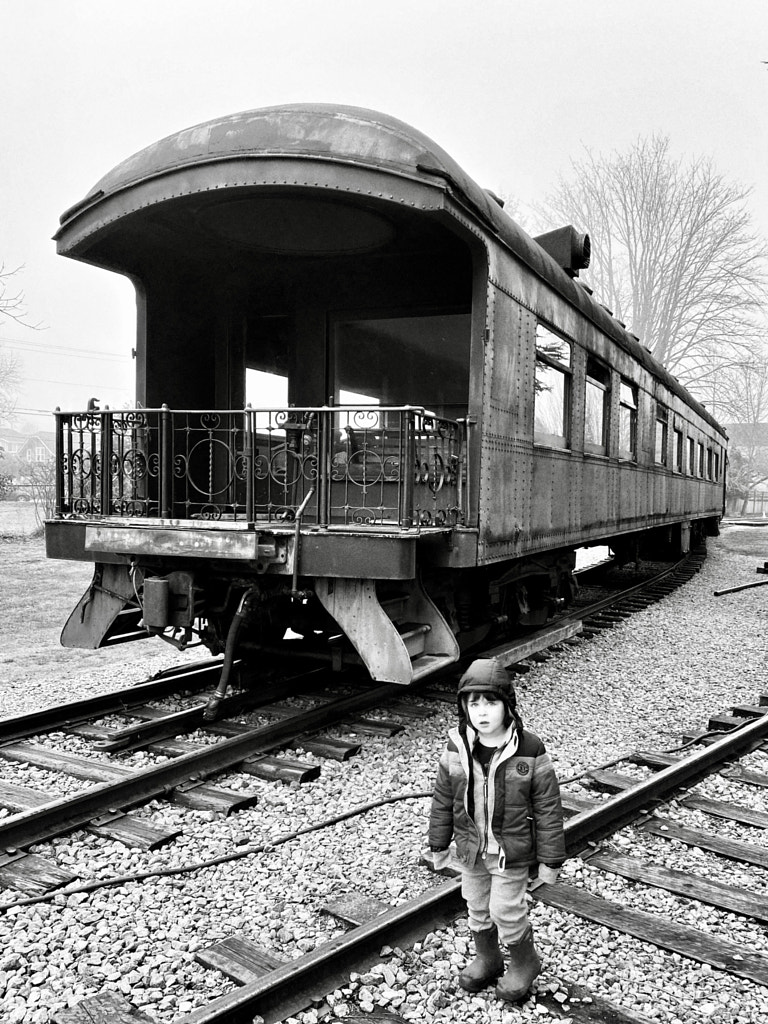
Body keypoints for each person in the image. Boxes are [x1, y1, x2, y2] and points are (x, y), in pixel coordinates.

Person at [428, 657, 566, 1002]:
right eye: (473, 704)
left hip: (511, 851)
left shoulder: (530, 750)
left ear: (508, 705)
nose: (482, 712)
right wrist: (438, 843)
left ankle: (524, 962)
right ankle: (488, 958)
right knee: (475, 904)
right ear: (463, 708)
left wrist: (550, 861)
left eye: (491, 702)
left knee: (506, 908)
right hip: (472, 850)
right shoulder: (456, 748)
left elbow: (548, 808)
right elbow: (444, 799)